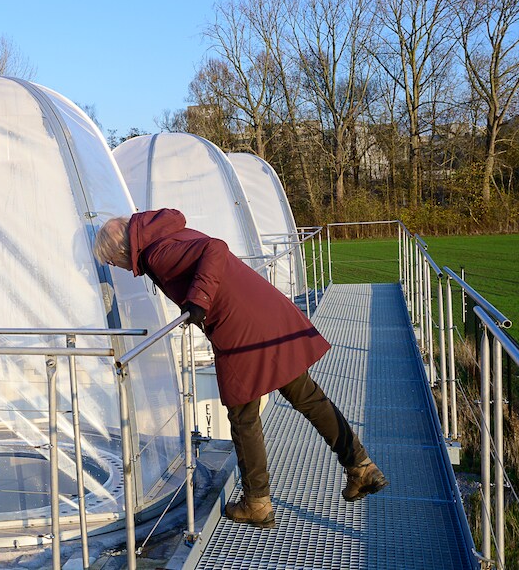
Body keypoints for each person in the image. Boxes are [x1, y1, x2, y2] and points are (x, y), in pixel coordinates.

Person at [93, 209, 387, 528]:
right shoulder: (163, 235)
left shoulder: (157, 253)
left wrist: (198, 301)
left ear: (121, 249)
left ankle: (257, 503)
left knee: (243, 416)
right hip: (264, 314)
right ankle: (360, 465)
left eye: (110, 259)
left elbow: (214, 249)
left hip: (241, 331)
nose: (113, 266)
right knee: (309, 398)